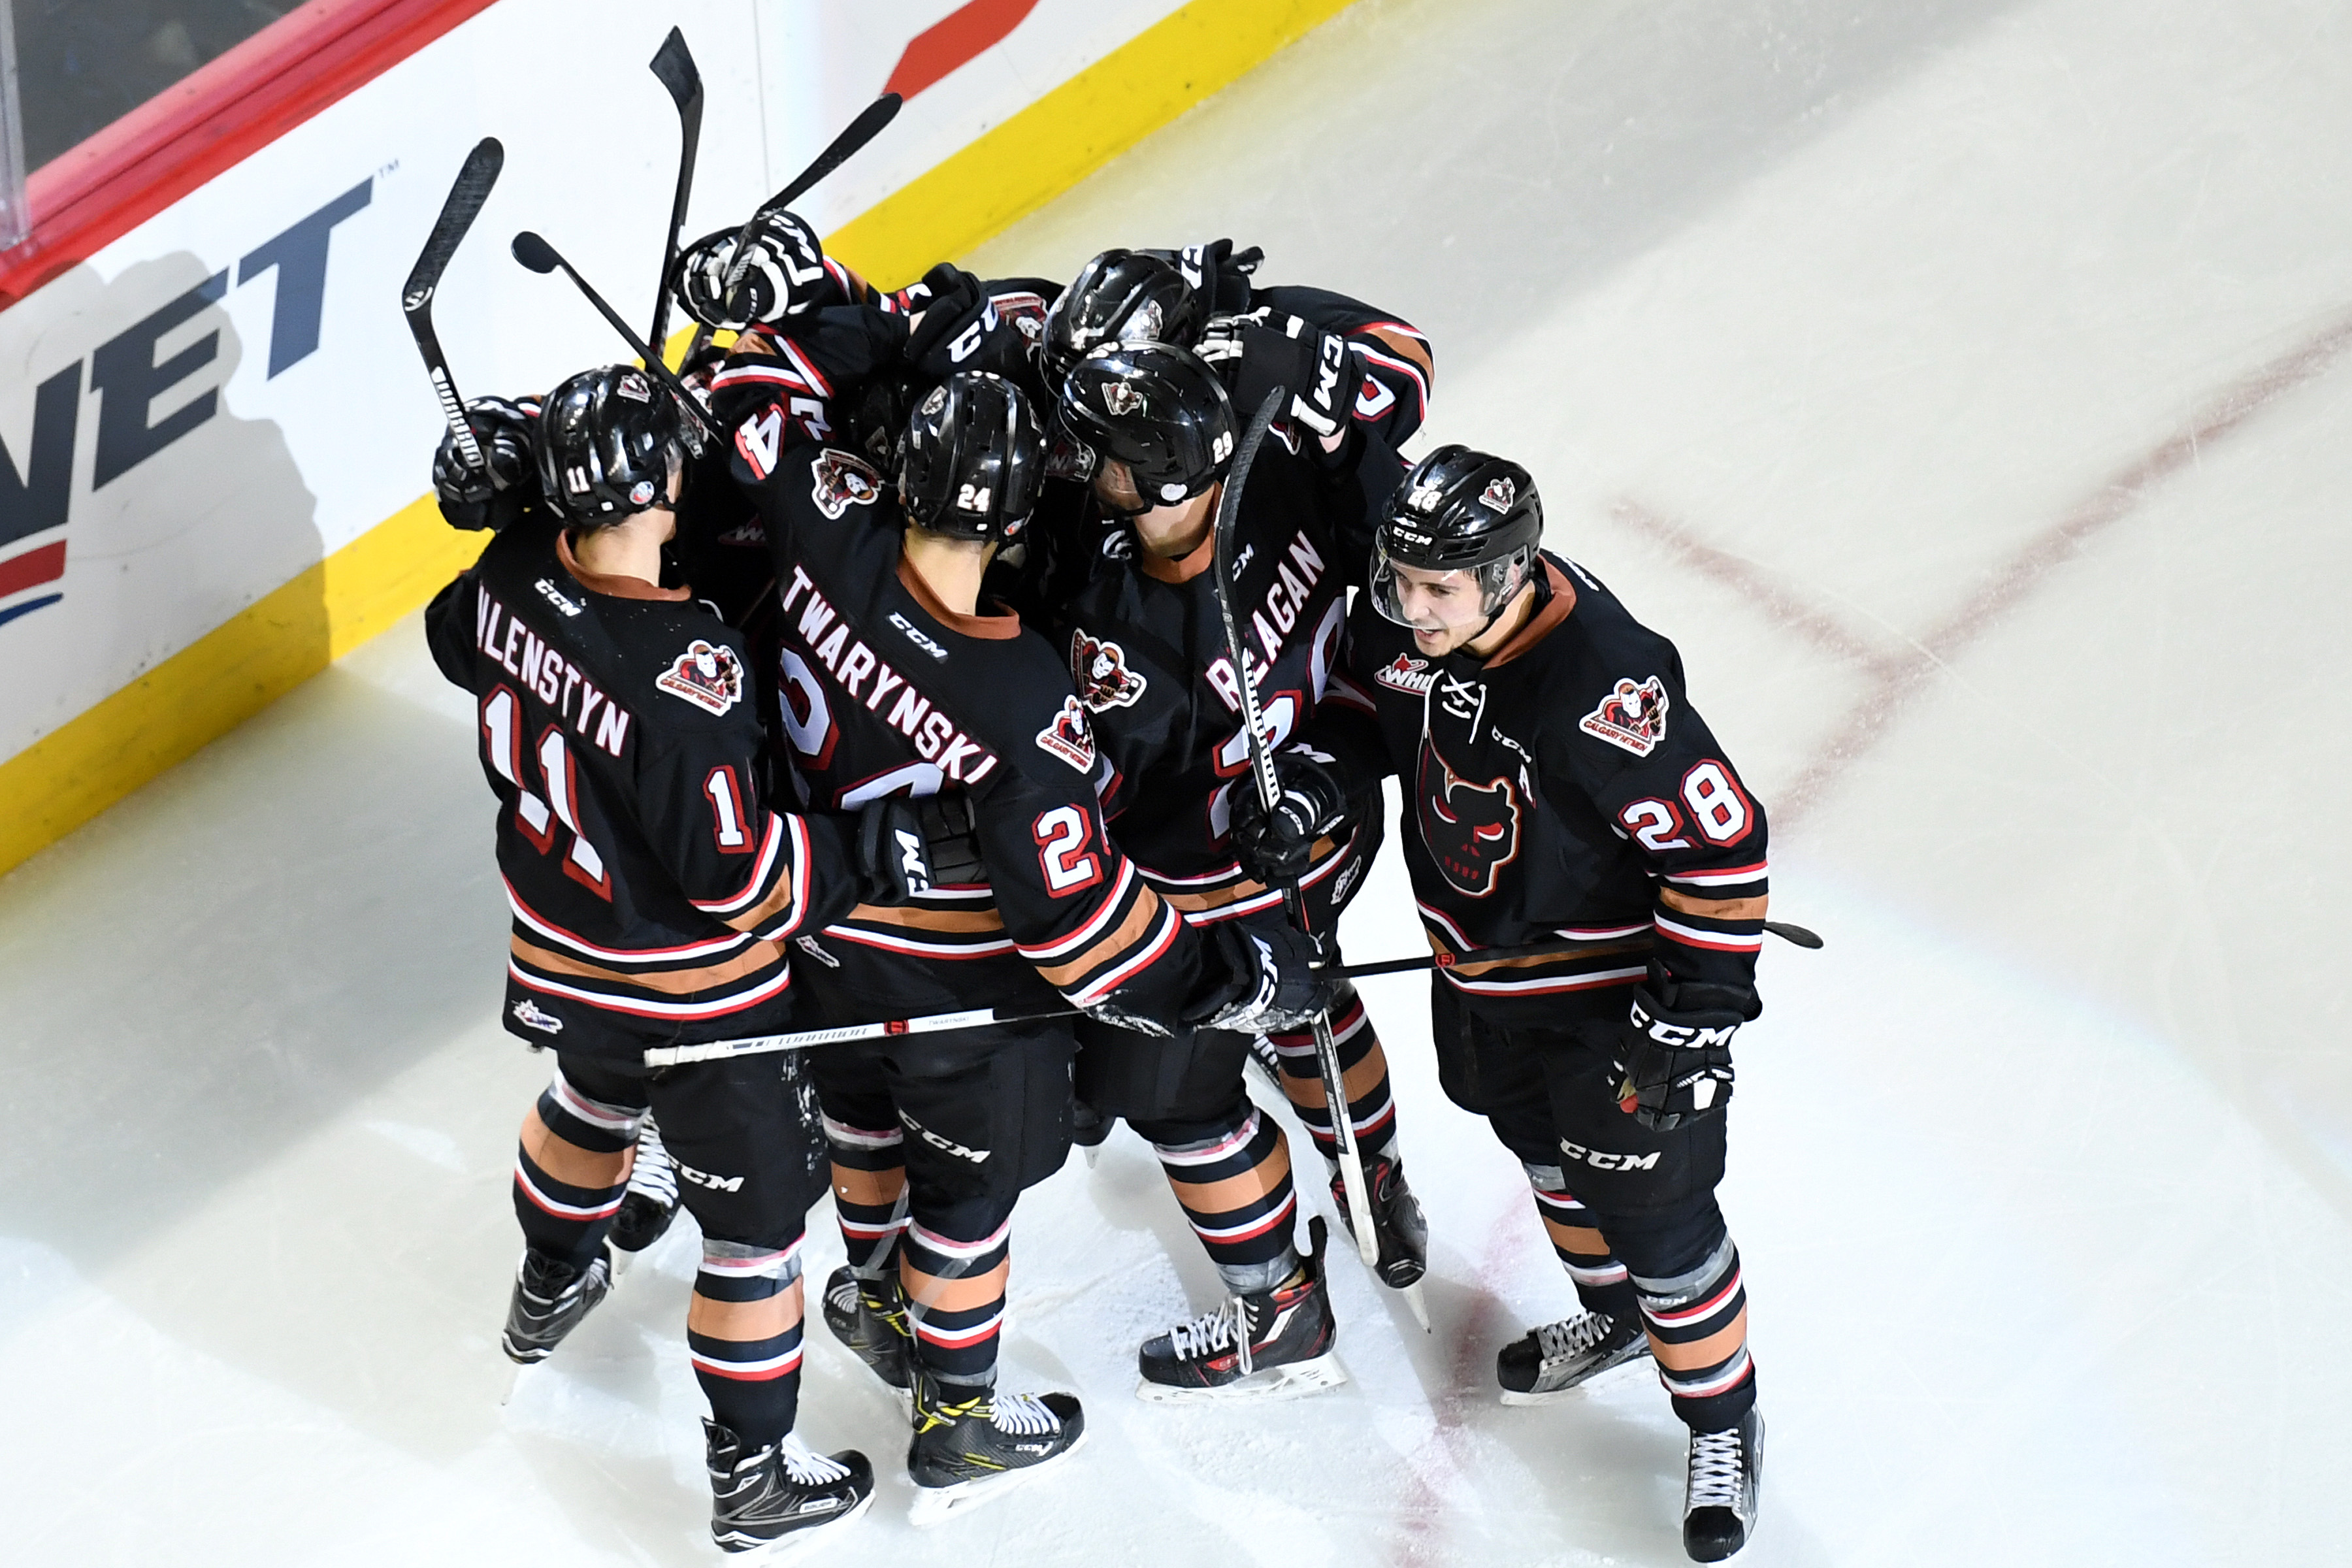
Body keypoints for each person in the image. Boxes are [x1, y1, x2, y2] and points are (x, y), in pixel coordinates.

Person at [716, 353, 1327, 1517]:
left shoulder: (828, 525)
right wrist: (1229, 978)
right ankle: (959, 1420)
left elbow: (754, 412)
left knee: (857, 1119)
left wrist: (779, 312)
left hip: (825, 945)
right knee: (966, 1206)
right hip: (965, 1000)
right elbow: (1083, 925)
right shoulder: (1023, 700)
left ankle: (879, 1298)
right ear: (1012, 516)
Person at [422, 367, 938, 1554]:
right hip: (700, 997)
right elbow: (737, 882)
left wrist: (505, 519)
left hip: (561, 948)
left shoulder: (506, 573)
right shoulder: (687, 676)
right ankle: (751, 1476)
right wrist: (869, 846)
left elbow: (456, 644)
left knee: (589, 1093)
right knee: (756, 1233)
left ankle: (550, 1281)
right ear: (658, 488)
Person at [1248, 446, 1770, 1561]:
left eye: (1439, 590)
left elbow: (1722, 849)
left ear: (1512, 571)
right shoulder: (1404, 625)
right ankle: (1618, 1316)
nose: (1410, 609)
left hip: (1606, 1006)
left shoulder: (1598, 680)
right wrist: (1320, 787)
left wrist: (1697, 1016)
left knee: (1662, 1226)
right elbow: (1356, 714)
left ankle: (1722, 1422)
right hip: (1481, 982)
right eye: (1399, 582)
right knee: (1542, 1158)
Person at [1034, 332, 1426, 1399]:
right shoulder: (1280, 480)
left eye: (1107, 459)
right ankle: (1373, 1176)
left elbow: (1085, 791)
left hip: (1219, 888)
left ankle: (1280, 1307)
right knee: (1312, 998)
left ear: (1158, 476)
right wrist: (1327, 782)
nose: (1089, 471)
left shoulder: (1127, 629)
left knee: (1179, 1100)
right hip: (1324, 833)